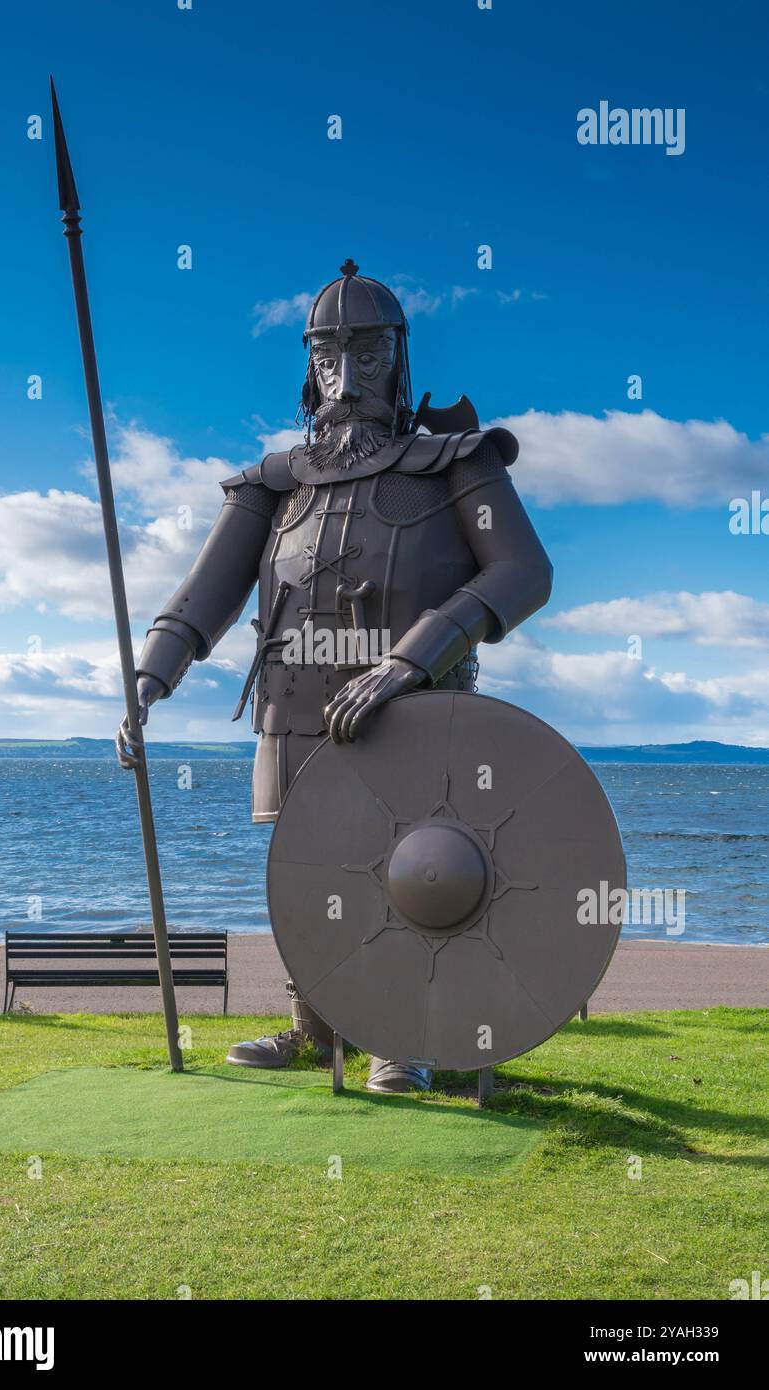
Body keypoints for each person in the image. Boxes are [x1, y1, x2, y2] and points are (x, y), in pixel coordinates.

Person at [117, 260, 552, 1093]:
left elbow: (522, 572)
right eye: (328, 360)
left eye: (367, 358)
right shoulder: (275, 484)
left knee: (415, 872)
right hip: (293, 711)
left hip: (416, 712)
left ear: (397, 359)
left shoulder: (458, 463)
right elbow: (206, 593)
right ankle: (314, 1029)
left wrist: (406, 658)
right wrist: (150, 678)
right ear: (309, 369)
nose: (347, 382)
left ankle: (401, 1035)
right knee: (307, 874)